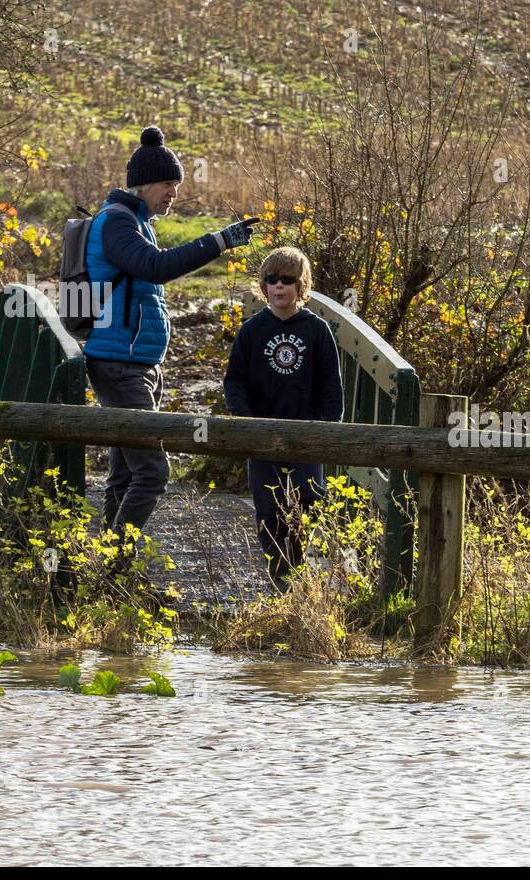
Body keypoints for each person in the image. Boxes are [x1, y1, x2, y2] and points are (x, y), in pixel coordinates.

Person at [84, 124, 257, 546]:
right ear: (142, 184)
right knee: (153, 471)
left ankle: (112, 566)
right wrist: (218, 242)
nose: (174, 193)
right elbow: (156, 267)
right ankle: (116, 563)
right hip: (119, 364)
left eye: (177, 185)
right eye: (167, 184)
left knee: (127, 471)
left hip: (136, 363)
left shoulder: (136, 221)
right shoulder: (116, 224)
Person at [224, 246, 344, 591]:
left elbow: (330, 386)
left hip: (306, 438)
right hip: (261, 438)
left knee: (307, 504)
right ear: (263, 286)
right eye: (271, 280)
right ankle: (283, 583)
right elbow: (234, 382)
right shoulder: (251, 331)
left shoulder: (317, 330)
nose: (278, 287)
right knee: (268, 512)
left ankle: (296, 576)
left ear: (301, 285)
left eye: (287, 280)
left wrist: (329, 429)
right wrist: (245, 422)